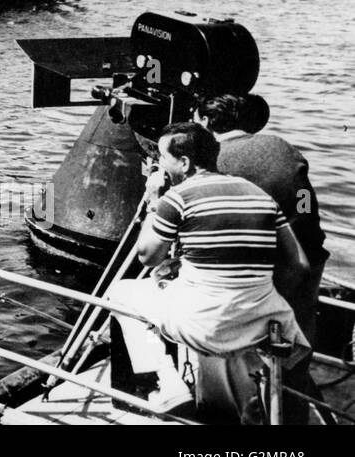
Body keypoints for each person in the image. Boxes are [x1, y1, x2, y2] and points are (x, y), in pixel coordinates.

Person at [110, 122, 309, 371]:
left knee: (120, 293)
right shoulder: (261, 195)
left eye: (163, 157)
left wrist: (153, 201)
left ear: (184, 163)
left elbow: (147, 256)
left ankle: (167, 381)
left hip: (206, 328)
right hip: (260, 324)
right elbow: (300, 265)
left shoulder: (176, 198)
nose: (160, 164)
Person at [194, 93, 327, 344]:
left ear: (205, 122)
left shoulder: (214, 159)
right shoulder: (281, 145)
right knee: (300, 328)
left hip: (269, 267)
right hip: (311, 250)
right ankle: (296, 379)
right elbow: (303, 197)